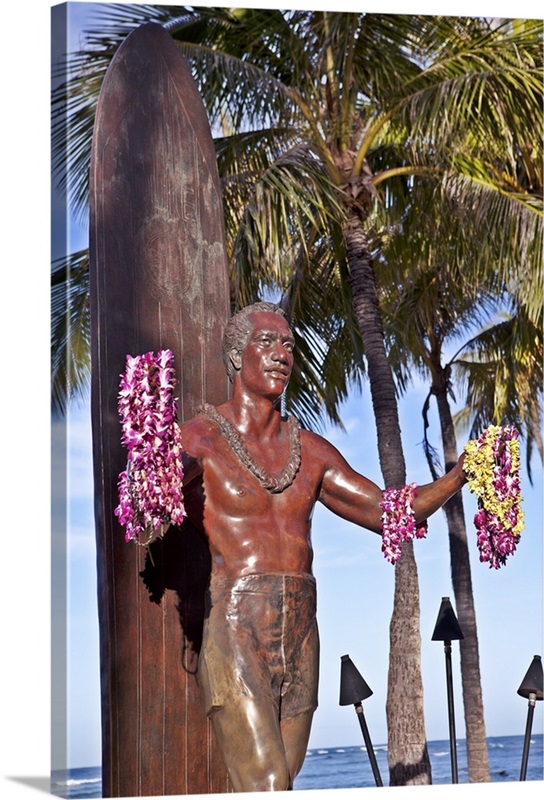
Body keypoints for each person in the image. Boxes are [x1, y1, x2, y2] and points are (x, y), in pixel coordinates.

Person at [179, 301, 467, 792]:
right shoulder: (198, 440)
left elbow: (389, 513)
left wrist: (462, 474)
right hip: (235, 628)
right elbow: (145, 515)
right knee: (270, 783)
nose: (280, 354)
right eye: (265, 342)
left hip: (302, 632)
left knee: (279, 782)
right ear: (235, 356)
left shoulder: (309, 451)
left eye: (288, 345)